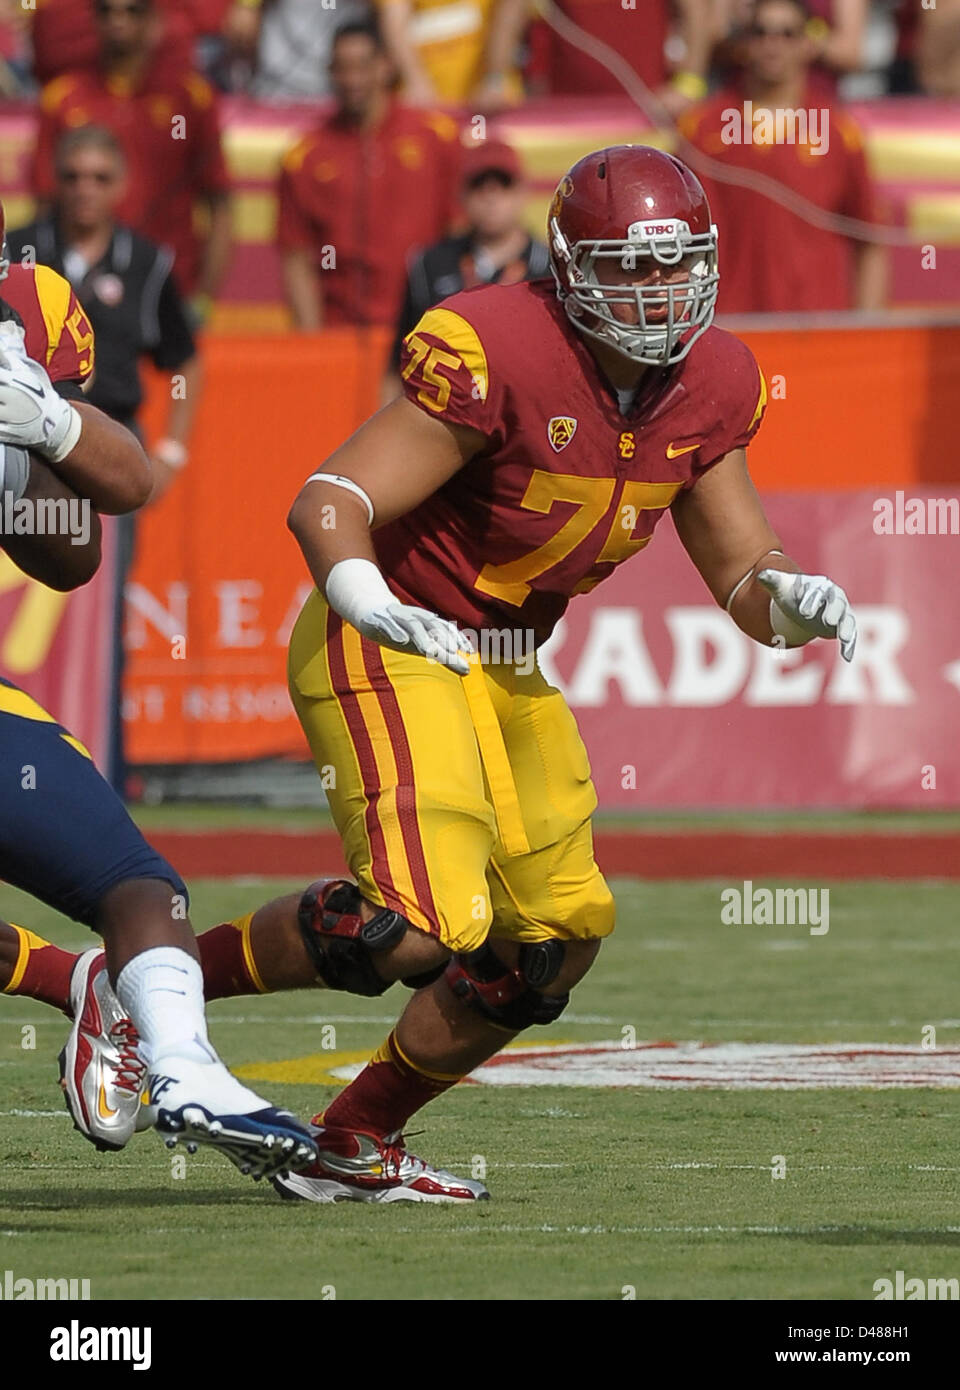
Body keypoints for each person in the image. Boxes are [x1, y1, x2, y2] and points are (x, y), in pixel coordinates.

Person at [7, 146, 858, 1204]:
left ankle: (353, 1141)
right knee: (412, 926)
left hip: (503, 661)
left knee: (554, 940)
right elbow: (328, 497)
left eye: (677, 265)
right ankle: (131, 992)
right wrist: (363, 591)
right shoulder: (500, 342)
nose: (658, 291)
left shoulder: (716, 380)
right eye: (630, 268)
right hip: (393, 634)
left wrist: (790, 595)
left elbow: (743, 574)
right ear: (570, 268)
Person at [0, 201, 317, 1181]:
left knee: (140, 887)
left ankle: (186, 1069)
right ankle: (79, 983)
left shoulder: (24, 317)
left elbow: (86, 533)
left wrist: (44, 425)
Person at [9, 123, 201, 790]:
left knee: (100, 594)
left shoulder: (140, 263)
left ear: (118, 186)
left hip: (90, 435)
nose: (84, 190)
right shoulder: (24, 248)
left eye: (98, 177)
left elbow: (182, 361)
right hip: (27, 435)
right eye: (72, 176)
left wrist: (170, 447)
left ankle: (103, 763)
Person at [678, 0, 887, 313]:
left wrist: (866, 332)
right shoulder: (701, 129)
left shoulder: (838, 131)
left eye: (787, 34)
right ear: (745, 44)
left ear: (808, 44)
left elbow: (870, 240)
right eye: (760, 33)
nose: (772, 44)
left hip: (816, 328)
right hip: (727, 327)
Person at [31, 0, 233, 315]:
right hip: (78, 290)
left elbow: (220, 205)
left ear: (155, 20)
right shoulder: (62, 99)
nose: (118, 21)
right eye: (107, 11)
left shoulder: (191, 98)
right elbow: (45, 205)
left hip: (172, 284)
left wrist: (206, 296)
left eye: (132, 10)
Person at [277, 18, 461, 332]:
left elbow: (459, 235)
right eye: (342, 68)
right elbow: (297, 256)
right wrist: (312, 340)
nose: (352, 79)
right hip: (341, 330)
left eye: (362, 66)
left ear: (386, 66)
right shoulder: (305, 157)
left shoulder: (436, 139)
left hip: (425, 328)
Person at [385, 138, 549, 395]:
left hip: (525, 410)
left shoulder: (552, 267)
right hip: (446, 409)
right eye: (478, 185)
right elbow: (398, 362)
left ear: (521, 193)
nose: (490, 196)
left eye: (502, 184)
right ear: (461, 195)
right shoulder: (430, 264)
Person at [483, 0, 713, 114]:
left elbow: (696, 10)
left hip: (647, 115)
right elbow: (511, 12)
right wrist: (496, 81)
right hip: (569, 116)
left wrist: (688, 84)